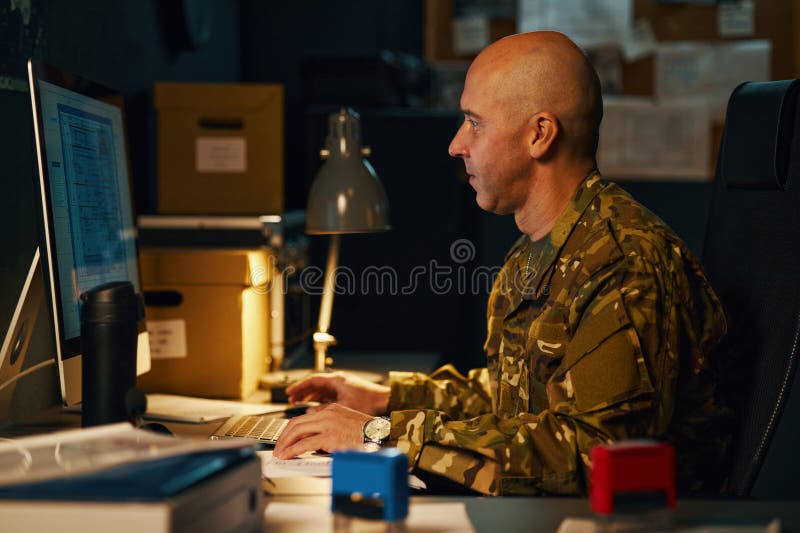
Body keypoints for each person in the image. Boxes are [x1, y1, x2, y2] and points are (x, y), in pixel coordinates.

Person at [273, 31, 732, 496]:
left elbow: (591, 458)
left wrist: (382, 434)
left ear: (539, 134)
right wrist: (385, 400)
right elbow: (513, 399)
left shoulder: (624, 263)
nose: (456, 144)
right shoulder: (538, 247)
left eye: (475, 123)